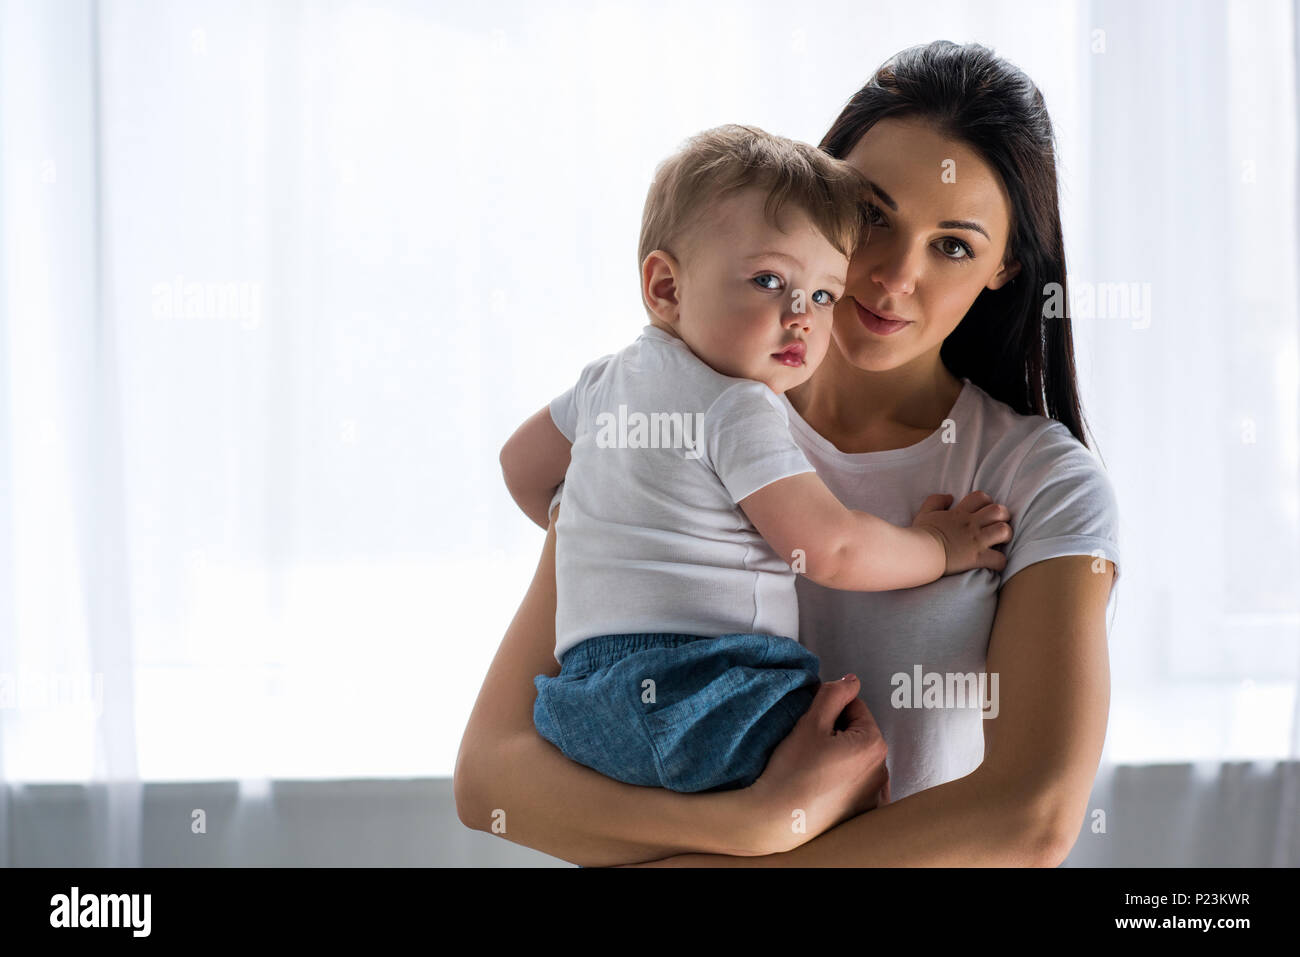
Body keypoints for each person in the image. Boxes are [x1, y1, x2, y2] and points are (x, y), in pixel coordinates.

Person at [455, 40, 1121, 867]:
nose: (892, 276)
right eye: (874, 215)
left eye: (953, 244)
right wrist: (755, 825)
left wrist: (767, 838)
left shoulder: (1041, 483)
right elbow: (491, 782)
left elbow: (1034, 818)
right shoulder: (665, 417)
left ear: (1004, 268)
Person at [500, 124, 1012, 796]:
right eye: (770, 280)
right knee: (858, 776)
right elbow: (834, 549)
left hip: (584, 704)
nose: (802, 316)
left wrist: (616, 525)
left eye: (824, 294)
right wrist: (939, 546)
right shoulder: (739, 407)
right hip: (714, 694)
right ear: (665, 287)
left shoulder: (604, 382)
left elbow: (520, 466)